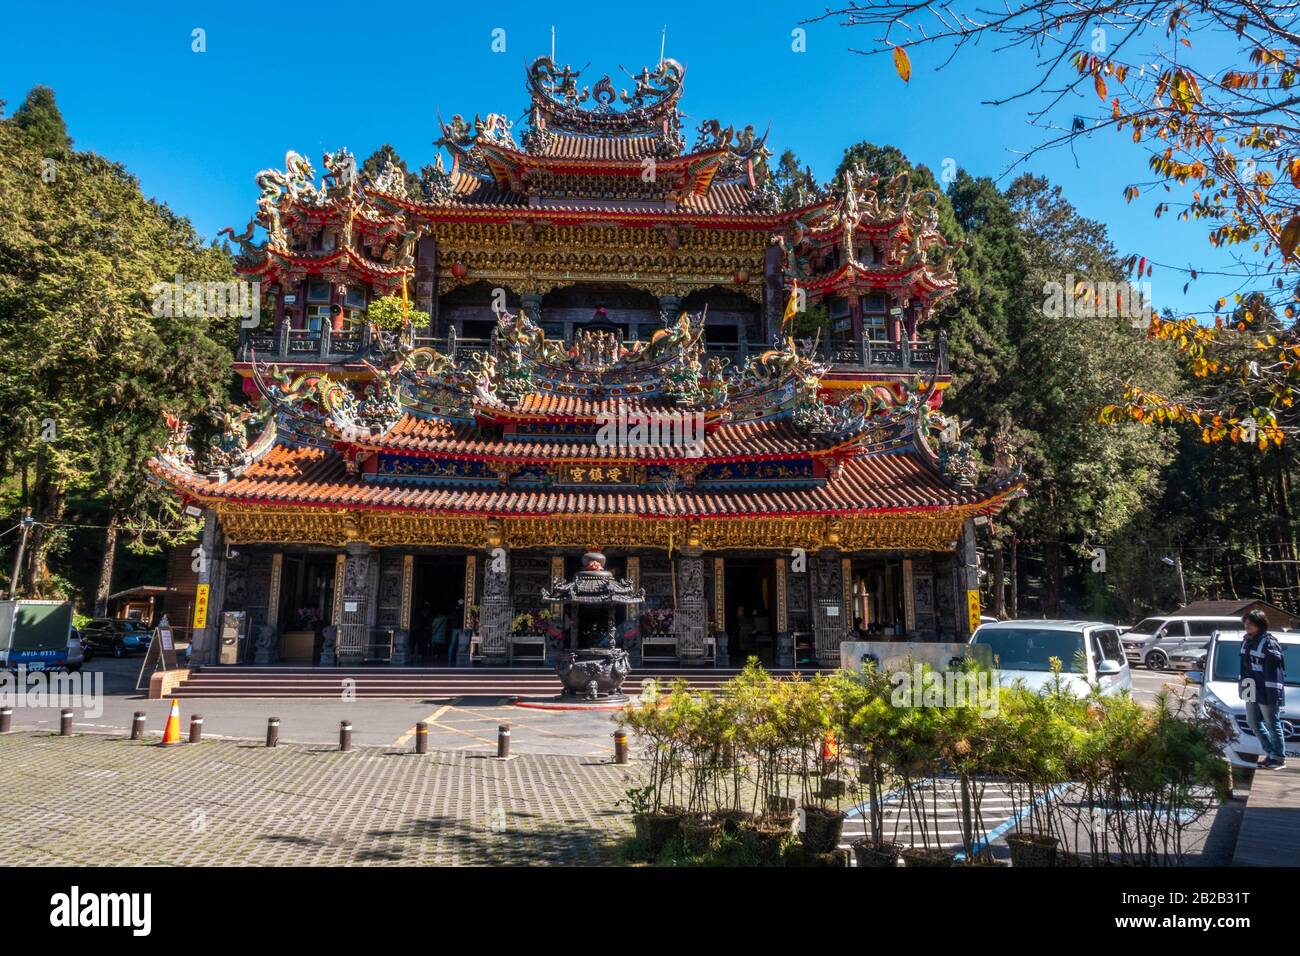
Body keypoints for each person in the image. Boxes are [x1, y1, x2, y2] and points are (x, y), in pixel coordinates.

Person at [1240, 609, 1288, 769]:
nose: (1247, 625)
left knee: (1272, 722)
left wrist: (1273, 694)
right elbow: (1245, 668)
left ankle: (1278, 757)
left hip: (1267, 690)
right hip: (1251, 688)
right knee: (1252, 721)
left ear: (1260, 624)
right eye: (1245, 622)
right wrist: (1244, 688)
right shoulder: (1246, 641)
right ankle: (1270, 753)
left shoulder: (1269, 643)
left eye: (1250, 622)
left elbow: (1275, 672)